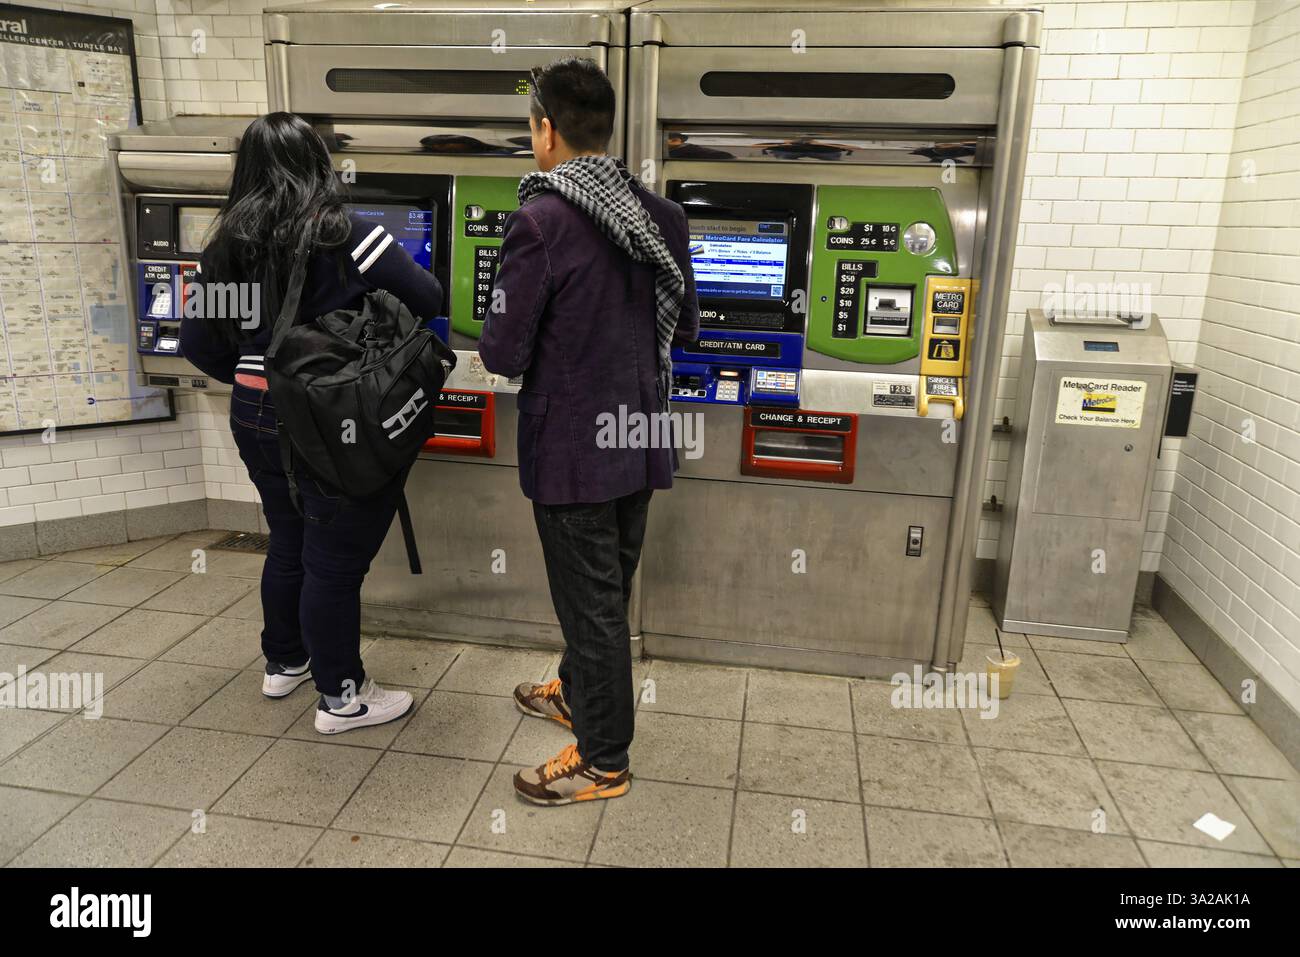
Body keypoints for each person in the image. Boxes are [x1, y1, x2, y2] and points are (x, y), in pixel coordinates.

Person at [479, 58, 700, 805]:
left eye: (530, 125)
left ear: (546, 131)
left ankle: (604, 760)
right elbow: (683, 324)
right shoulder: (660, 215)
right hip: (639, 435)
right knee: (604, 590)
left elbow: (502, 352)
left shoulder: (540, 220)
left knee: (592, 605)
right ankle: (577, 693)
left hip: (573, 450)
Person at [179, 112, 443, 734]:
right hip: (327, 415)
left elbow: (198, 342)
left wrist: (252, 371)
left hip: (253, 410)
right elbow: (429, 298)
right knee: (334, 561)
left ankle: (285, 661)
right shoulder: (343, 231)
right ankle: (342, 698)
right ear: (316, 165)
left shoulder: (225, 246)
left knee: (288, 538)